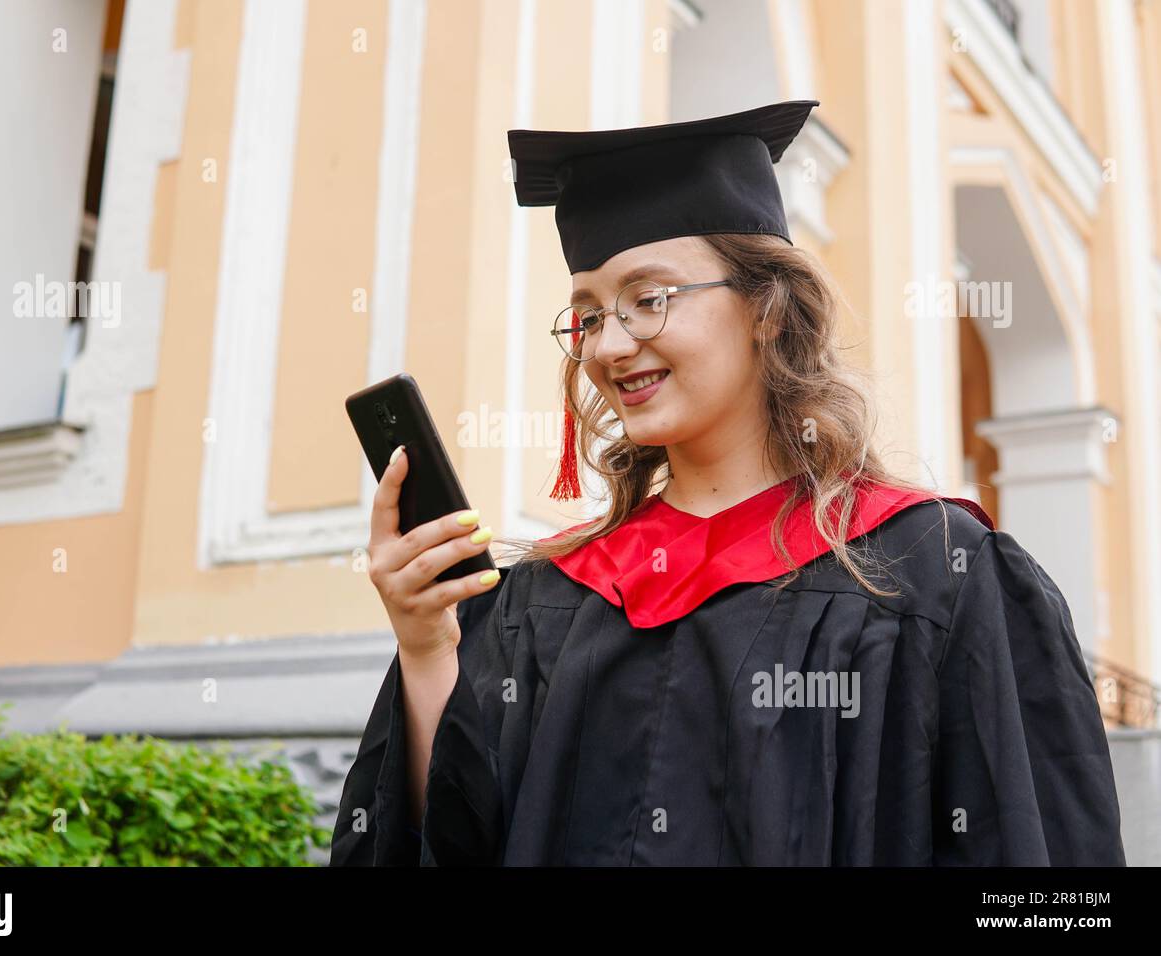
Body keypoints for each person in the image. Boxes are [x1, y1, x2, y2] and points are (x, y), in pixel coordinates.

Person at [329, 101, 1126, 866]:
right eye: (588, 315)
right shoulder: (546, 601)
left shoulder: (935, 574)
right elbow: (459, 840)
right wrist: (427, 646)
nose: (608, 346)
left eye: (649, 299)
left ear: (767, 310)